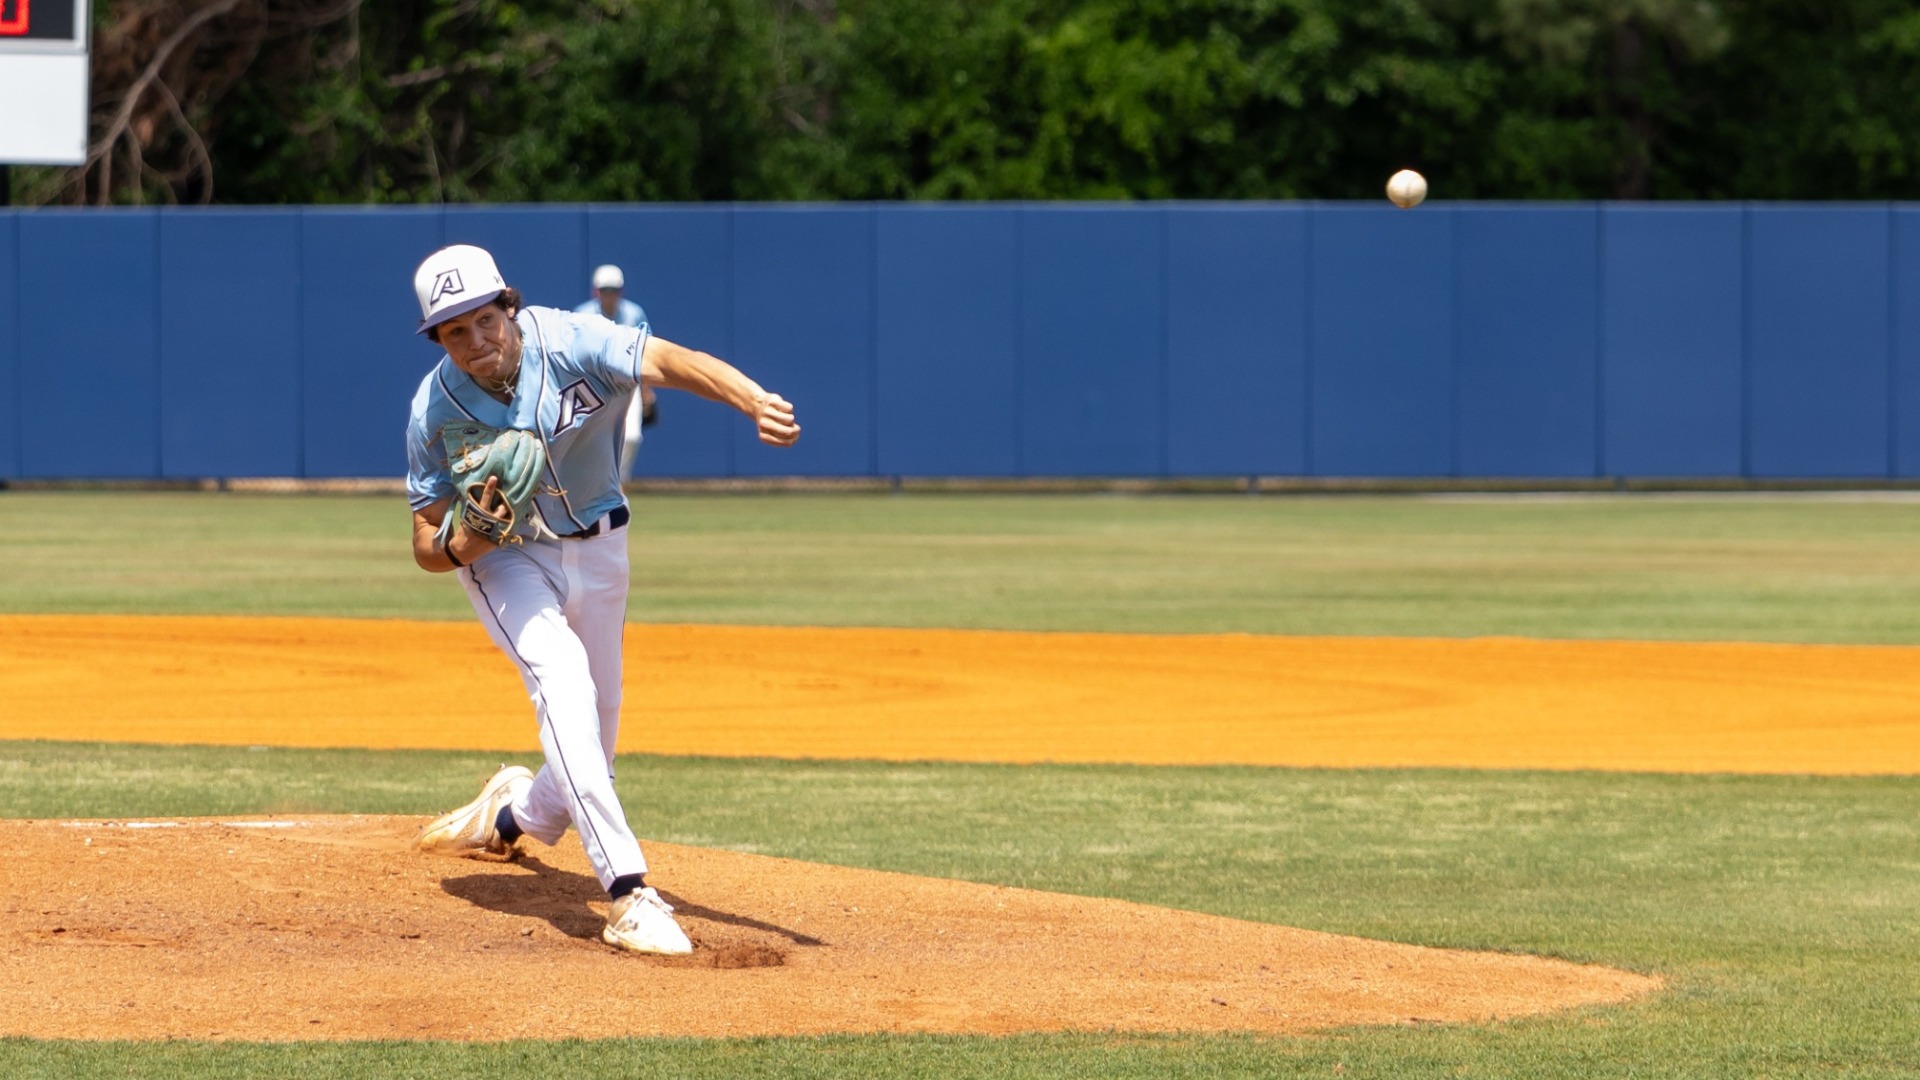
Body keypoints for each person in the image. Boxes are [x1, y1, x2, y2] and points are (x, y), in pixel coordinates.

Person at [404, 244, 800, 955]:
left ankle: (508, 819)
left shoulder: (573, 340)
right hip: (509, 561)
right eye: (454, 330)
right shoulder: (433, 411)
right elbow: (425, 540)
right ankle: (628, 894)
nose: (476, 340)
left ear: (509, 307)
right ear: (438, 339)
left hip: (604, 548)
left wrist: (752, 400)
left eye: (484, 318)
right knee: (564, 689)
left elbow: (669, 363)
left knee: (594, 744)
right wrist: (465, 542)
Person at [574, 264, 655, 481]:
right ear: (596, 291)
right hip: (592, 385)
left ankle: (618, 487)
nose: (609, 295)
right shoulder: (582, 315)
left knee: (631, 437)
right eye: (605, 290)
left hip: (626, 384)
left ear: (621, 291)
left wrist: (647, 389)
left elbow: (646, 352)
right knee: (586, 439)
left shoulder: (633, 313)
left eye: (613, 290)